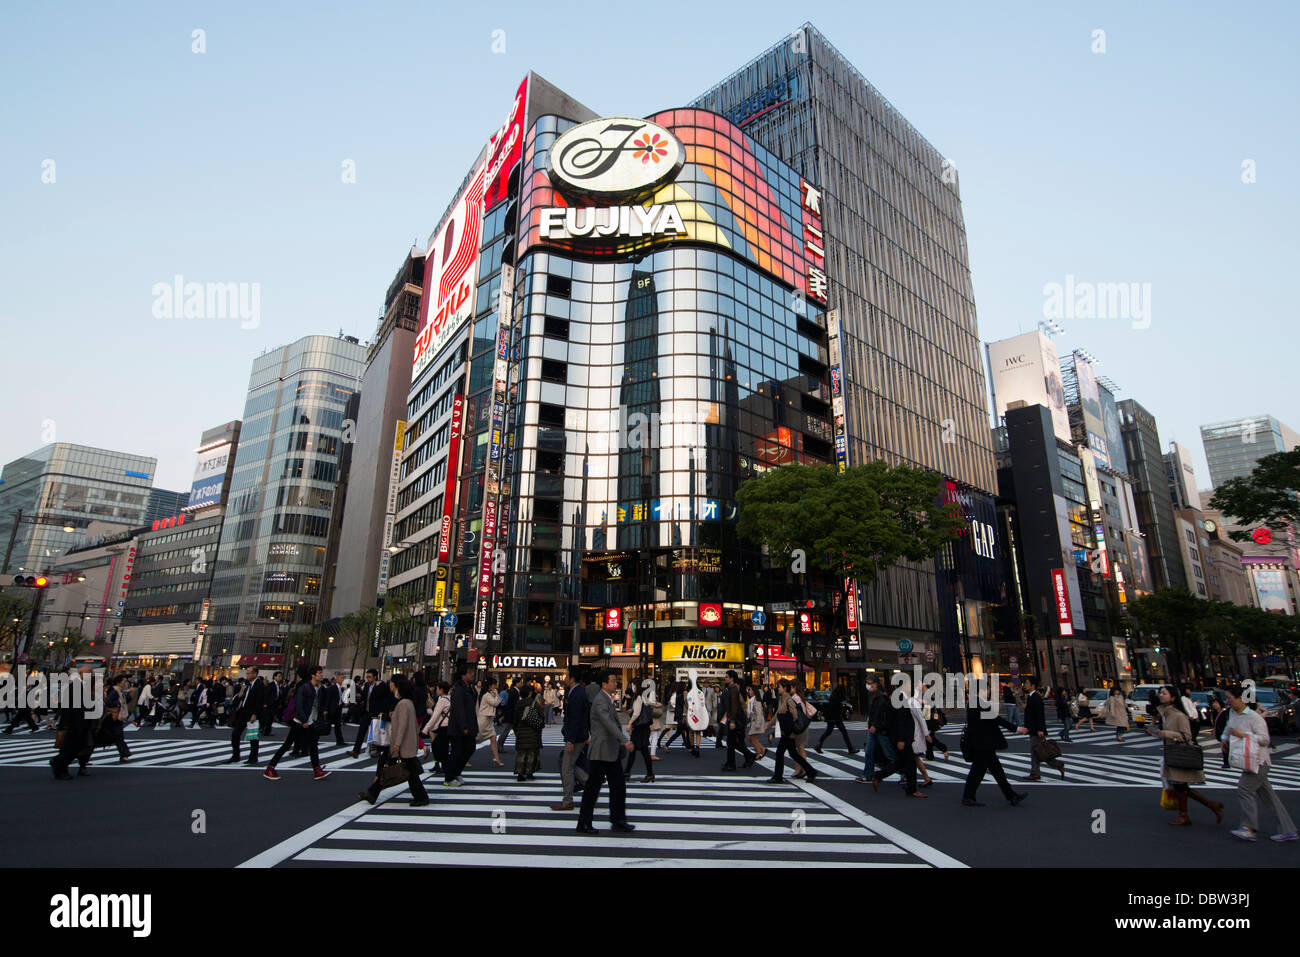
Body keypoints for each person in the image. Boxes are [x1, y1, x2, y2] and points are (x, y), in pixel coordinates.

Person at [1221, 685, 1296, 842]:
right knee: (1269, 797)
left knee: (1244, 789)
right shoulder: (1233, 713)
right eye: (1226, 698)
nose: (1227, 701)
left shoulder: (1254, 717)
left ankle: (1249, 828)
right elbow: (1228, 729)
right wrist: (1224, 739)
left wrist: (1244, 735)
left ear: (1240, 698)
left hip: (1258, 761)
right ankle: (1288, 829)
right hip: (1248, 761)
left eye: (1229, 698)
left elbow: (1265, 739)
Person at [1148, 685, 1222, 827]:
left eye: (1164, 693)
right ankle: (1209, 806)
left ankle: (1186, 814)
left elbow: (1187, 736)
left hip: (1179, 754)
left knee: (1180, 787)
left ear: (1173, 697)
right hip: (1171, 753)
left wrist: (1166, 734)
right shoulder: (1166, 714)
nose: (1160, 695)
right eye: (1160, 693)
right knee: (1180, 787)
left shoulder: (1179, 715)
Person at [577, 668, 636, 834]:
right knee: (593, 788)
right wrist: (624, 740)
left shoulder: (606, 698)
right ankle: (584, 823)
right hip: (601, 751)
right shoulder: (600, 700)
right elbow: (608, 723)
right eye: (613, 681)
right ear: (604, 684)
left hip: (610, 751)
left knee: (618, 786)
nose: (615, 683)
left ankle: (618, 820)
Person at [358, 675, 429, 806]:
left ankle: (421, 797)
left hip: (402, 745)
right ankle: (373, 793)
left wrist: (396, 744)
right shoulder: (408, 703)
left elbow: (401, 726)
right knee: (408, 772)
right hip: (407, 744)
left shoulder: (402, 704)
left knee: (405, 772)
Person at [961, 686, 1029, 807]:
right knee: (989, 771)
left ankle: (1010, 795)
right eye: (987, 689)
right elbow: (996, 719)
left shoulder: (972, 702)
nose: (988, 692)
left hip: (980, 743)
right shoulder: (979, 703)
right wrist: (1016, 728)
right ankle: (969, 796)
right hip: (983, 744)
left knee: (987, 771)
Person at [262, 664, 331, 781]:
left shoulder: (316, 688)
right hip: (300, 722)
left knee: (313, 745)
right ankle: (270, 767)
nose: (321, 675)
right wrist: (304, 720)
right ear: (312, 675)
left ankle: (317, 770)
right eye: (319, 673)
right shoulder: (305, 687)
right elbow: (299, 706)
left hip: (309, 722)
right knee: (288, 745)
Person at [871, 689, 923, 797]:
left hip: (897, 738)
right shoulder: (900, 704)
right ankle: (911, 789)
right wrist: (902, 739)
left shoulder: (892, 705)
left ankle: (879, 776)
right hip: (901, 740)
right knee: (910, 764)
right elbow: (902, 722)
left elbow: (891, 723)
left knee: (900, 762)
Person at [764, 679, 817, 785]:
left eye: (779, 687)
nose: (777, 688)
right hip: (787, 732)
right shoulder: (782, 699)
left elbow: (795, 715)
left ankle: (778, 776)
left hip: (789, 732)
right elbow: (777, 715)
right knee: (793, 754)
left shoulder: (789, 700)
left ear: (784, 688)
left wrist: (789, 725)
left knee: (780, 753)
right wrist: (769, 726)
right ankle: (811, 771)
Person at [552, 665, 590, 811]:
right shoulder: (576, 691)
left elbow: (575, 718)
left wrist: (570, 740)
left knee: (566, 767)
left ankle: (568, 800)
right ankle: (590, 784)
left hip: (575, 737)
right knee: (571, 765)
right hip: (579, 735)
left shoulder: (577, 693)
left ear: (572, 678)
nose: (565, 678)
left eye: (567, 676)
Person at [1021, 677, 1066, 781]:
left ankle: (1036, 772)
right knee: (1039, 752)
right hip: (1034, 728)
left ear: (1033, 685)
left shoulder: (1036, 697)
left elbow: (1039, 715)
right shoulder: (1032, 697)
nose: (1025, 685)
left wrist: (1040, 729)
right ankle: (1056, 765)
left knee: (1037, 751)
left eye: (1027, 683)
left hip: (1036, 729)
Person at [856, 675, 895, 783]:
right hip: (874, 728)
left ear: (876, 684)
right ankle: (868, 775)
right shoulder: (873, 695)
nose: (869, 686)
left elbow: (880, 714)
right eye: (867, 683)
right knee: (870, 751)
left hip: (878, 729)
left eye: (870, 683)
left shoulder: (880, 697)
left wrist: (874, 725)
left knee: (888, 753)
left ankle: (904, 771)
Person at [443, 663, 477, 787]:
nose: (472, 674)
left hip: (468, 724)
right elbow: (459, 709)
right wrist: (464, 726)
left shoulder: (469, 687)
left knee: (469, 748)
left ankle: (456, 773)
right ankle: (449, 777)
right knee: (457, 751)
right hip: (458, 727)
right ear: (463, 675)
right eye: (469, 672)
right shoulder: (458, 689)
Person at [226, 665, 266, 765]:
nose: (247, 675)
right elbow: (243, 696)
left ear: (255, 674)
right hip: (243, 712)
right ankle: (236, 755)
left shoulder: (259, 685)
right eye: (247, 673)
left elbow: (259, 701)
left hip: (252, 713)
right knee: (235, 734)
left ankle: (253, 757)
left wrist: (255, 714)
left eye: (248, 673)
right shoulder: (248, 684)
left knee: (252, 737)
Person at [350, 669, 390, 758]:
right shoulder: (367, 685)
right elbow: (364, 697)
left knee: (375, 732)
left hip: (376, 712)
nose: (368, 679)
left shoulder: (381, 685)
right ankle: (356, 750)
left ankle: (376, 751)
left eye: (370, 677)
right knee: (362, 730)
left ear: (375, 677)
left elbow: (385, 698)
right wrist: (359, 698)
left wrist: (383, 710)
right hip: (367, 711)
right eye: (367, 677)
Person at [623, 678, 657, 783]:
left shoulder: (638, 697)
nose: (632, 687)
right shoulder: (643, 696)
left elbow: (637, 713)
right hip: (644, 727)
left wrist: (629, 723)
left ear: (636, 686)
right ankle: (648, 774)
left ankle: (627, 773)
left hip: (639, 728)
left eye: (633, 685)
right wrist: (632, 710)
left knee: (636, 751)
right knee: (643, 751)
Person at [720, 670, 754, 770]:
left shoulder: (733, 689)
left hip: (735, 719)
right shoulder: (731, 688)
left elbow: (734, 706)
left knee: (731, 741)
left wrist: (732, 721)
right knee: (732, 741)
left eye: (727, 677)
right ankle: (744, 758)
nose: (725, 678)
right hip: (735, 718)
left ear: (732, 678)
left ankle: (732, 763)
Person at [513, 684, 545, 781]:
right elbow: (541, 716)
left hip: (521, 731)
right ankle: (529, 772)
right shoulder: (534, 703)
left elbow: (515, 720)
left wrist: (517, 730)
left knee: (521, 754)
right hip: (533, 732)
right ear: (530, 693)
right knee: (532, 754)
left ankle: (520, 773)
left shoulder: (518, 704)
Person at [421, 681, 452, 774]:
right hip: (448, 725)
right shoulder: (449, 698)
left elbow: (435, 716)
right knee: (442, 746)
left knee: (437, 746)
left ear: (441, 690)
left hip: (443, 726)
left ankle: (444, 766)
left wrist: (425, 730)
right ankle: (440, 765)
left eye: (438, 688)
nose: (436, 690)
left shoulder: (442, 700)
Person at [98, 675, 131, 762]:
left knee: (116, 736)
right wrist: (118, 704)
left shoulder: (119, 691)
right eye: (124, 681)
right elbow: (108, 701)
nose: (125, 683)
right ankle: (124, 754)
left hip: (116, 717)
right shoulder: (115, 691)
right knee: (118, 736)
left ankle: (124, 754)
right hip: (114, 717)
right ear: (118, 682)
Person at [816, 684, 856, 754]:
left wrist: (824, 715)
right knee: (844, 733)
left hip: (832, 718)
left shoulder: (833, 697)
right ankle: (850, 748)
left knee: (828, 732)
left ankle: (818, 745)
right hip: (836, 718)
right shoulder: (837, 699)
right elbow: (832, 708)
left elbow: (829, 708)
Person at [476, 677, 505, 767]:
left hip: (489, 720)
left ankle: (497, 759)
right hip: (483, 720)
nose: (495, 687)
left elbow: (497, 702)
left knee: (493, 738)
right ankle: (464, 758)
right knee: (475, 739)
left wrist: (497, 697)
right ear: (490, 685)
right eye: (494, 685)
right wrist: (497, 696)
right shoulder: (486, 695)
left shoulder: (490, 694)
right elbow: (494, 703)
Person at [319, 673, 344, 749]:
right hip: (331, 709)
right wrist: (325, 709)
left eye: (343, 678)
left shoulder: (341, 688)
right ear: (336, 679)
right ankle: (315, 738)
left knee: (338, 725)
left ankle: (340, 741)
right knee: (325, 725)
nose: (342, 680)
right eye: (341, 678)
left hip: (338, 708)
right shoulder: (332, 688)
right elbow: (328, 699)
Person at [497, 678, 521, 753]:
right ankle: (499, 745)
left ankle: (520, 746)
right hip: (511, 715)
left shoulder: (513, 690)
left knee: (515, 731)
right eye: (520, 682)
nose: (521, 684)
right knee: (506, 731)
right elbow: (514, 704)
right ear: (517, 683)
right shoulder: (514, 691)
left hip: (511, 714)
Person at [745, 683, 767, 760]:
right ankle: (762, 749)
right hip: (753, 722)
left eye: (750, 690)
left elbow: (759, 713)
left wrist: (758, 724)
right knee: (750, 738)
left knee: (753, 739)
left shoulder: (756, 701)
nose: (749, 691)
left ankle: (758, 753)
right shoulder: (751, 700)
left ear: (754, 691)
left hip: (756, 722)